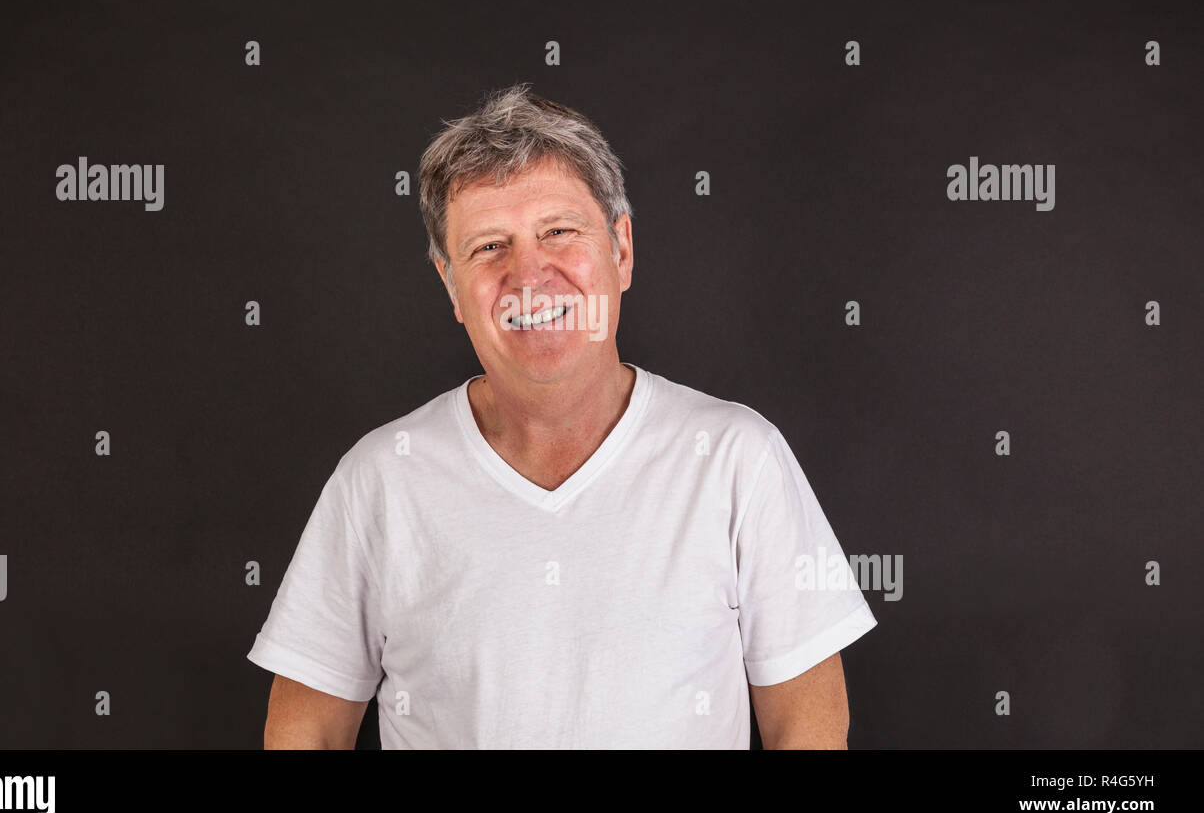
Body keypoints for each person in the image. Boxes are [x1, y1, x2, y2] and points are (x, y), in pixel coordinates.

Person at [245, 83, 877, 748]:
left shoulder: (735, 458)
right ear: (450, 285)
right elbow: (304, 728)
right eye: (489, 247)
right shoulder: (378, 480)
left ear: (621, 249)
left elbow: (807, 724)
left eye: (558, 232)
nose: (528, 276)